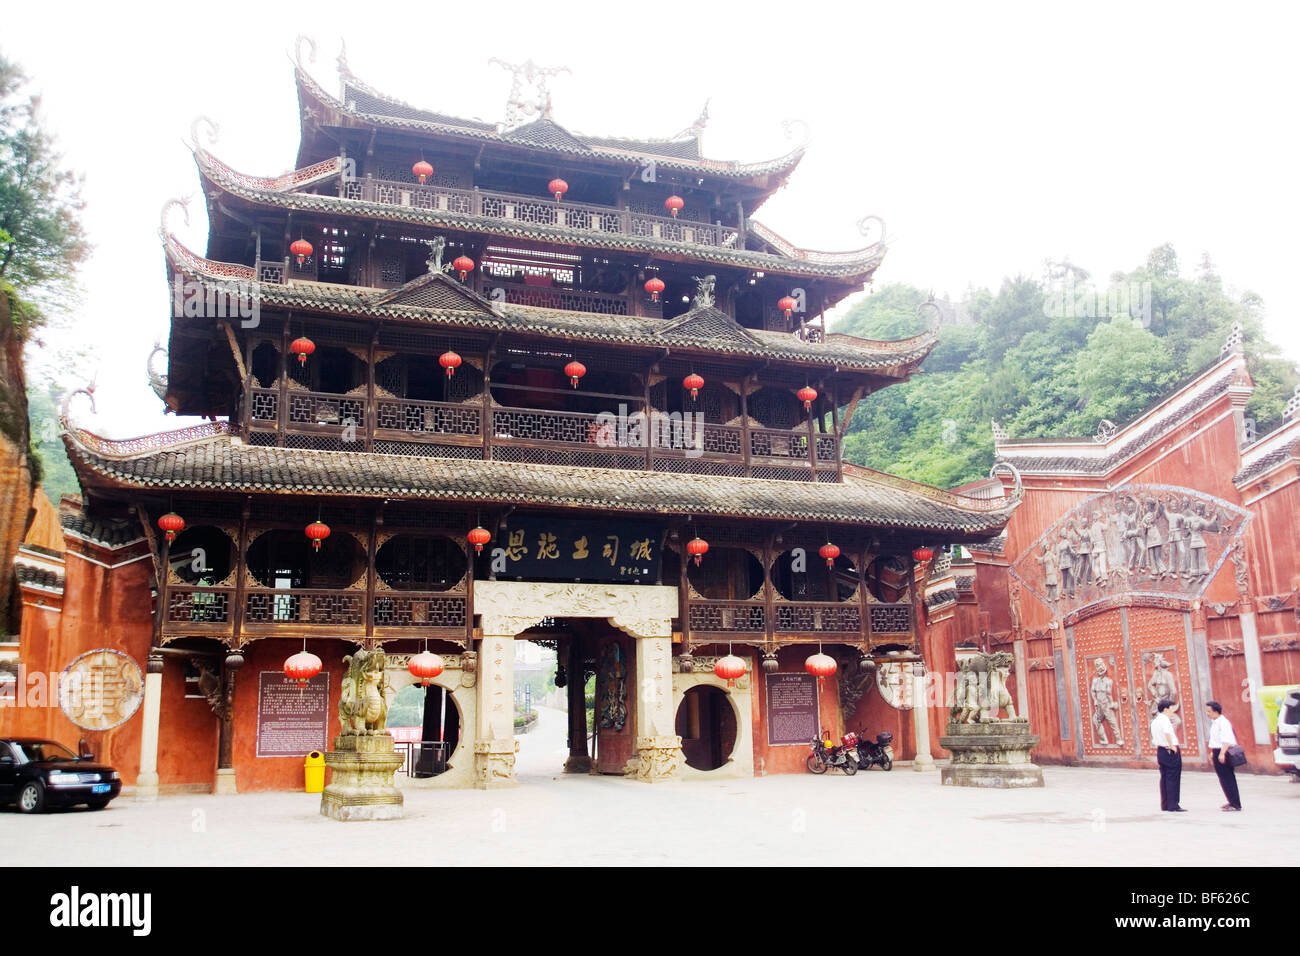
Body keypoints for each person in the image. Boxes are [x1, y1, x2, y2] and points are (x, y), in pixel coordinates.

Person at [1206, 701, 1242, 811]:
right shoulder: (1215, 722)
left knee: (1228, 778)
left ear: (1216, 711)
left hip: (1224, 752)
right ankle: (1231, 800)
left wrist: (1222, 754)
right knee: (1223, 778)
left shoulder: (1224, 723)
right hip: (1217, 750)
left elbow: (1226, 739)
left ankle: (1235, 803)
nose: (1207, 713)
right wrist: (1213, 752)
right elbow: (1216, 740)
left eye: (1209, 711)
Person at [1150, 698, 1185, 811]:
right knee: (1173, 778)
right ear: (1165, 709)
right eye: (1171, 709)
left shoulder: (1155, 721)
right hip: (1169, 750)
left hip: (1161, 750)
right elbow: (1167, 733)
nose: (1172, 712)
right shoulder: (1165, 720)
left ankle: (1165, 804)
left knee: (1164, 778)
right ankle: (1173, 805)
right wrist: (1172, 745)